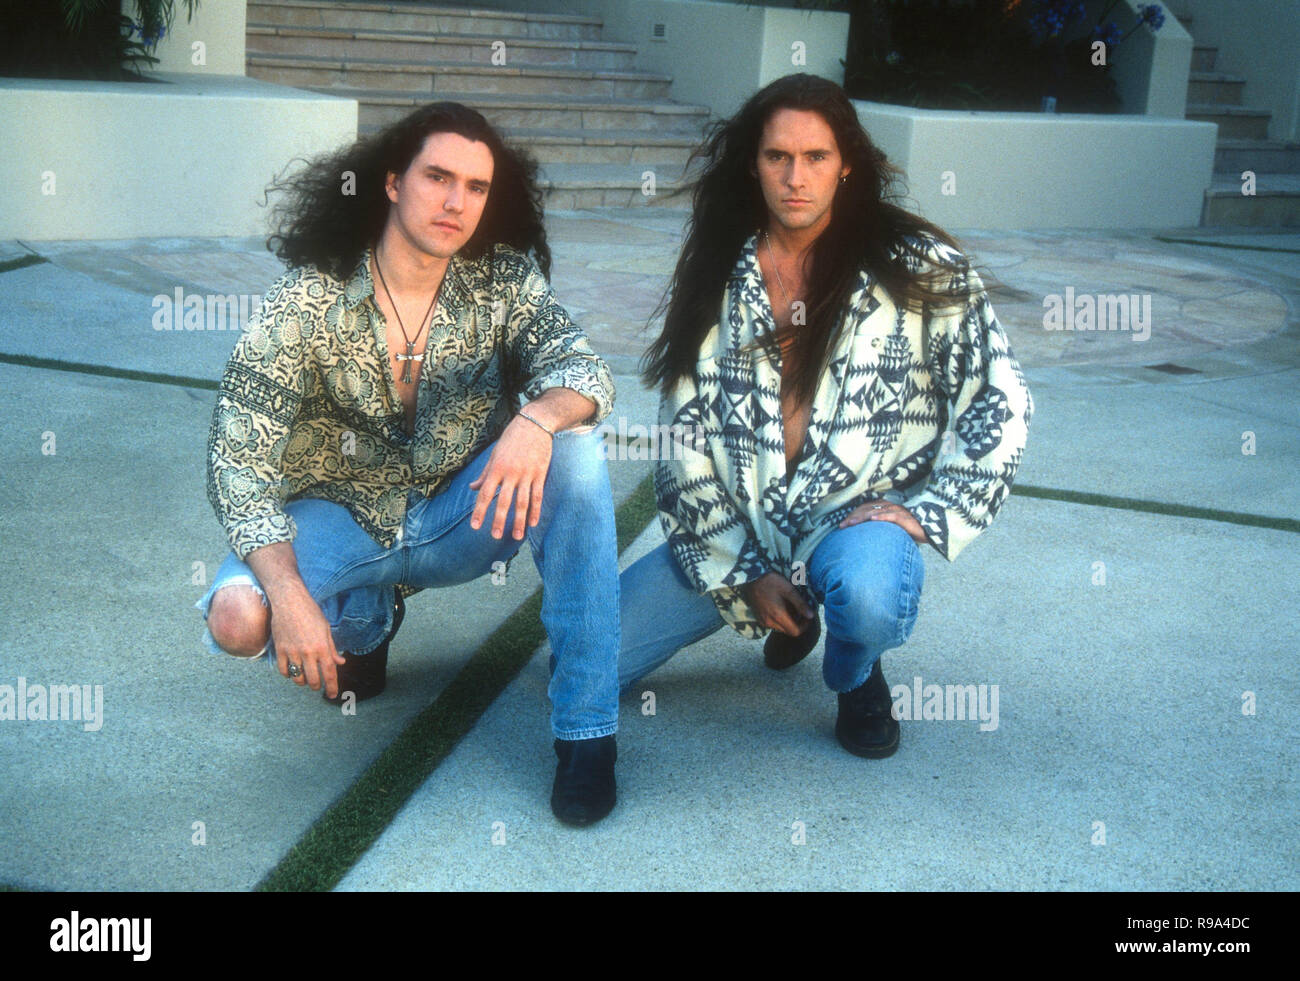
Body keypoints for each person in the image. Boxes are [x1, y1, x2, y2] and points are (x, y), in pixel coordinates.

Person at [194, 102, 621, 826]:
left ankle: (587, 733)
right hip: (340, 516)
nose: (456, 202)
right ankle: (364, 620)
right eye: (438, 177)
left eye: (477, 187)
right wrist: (289, 592)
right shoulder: (307, 299)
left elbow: (585, 370)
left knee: (575, 452)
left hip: (463, 513)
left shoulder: (502, 280)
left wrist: (535, 419)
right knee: (239, 617)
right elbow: (238, 456)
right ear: (392, 183)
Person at [620, 74, 1033, 759]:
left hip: (849, 522)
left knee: (869, 594)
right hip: (736, 533)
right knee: (583, 664)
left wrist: (933, 511)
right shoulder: (720, 269)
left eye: (816, 156)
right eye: (777, 156)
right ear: (753, 164)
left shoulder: (917, 268)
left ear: (847, 164)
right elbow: (682, 437)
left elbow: (1004, 396)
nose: (795, 177)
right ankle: (791, 616)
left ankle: (854, 669)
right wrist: (747, 569)